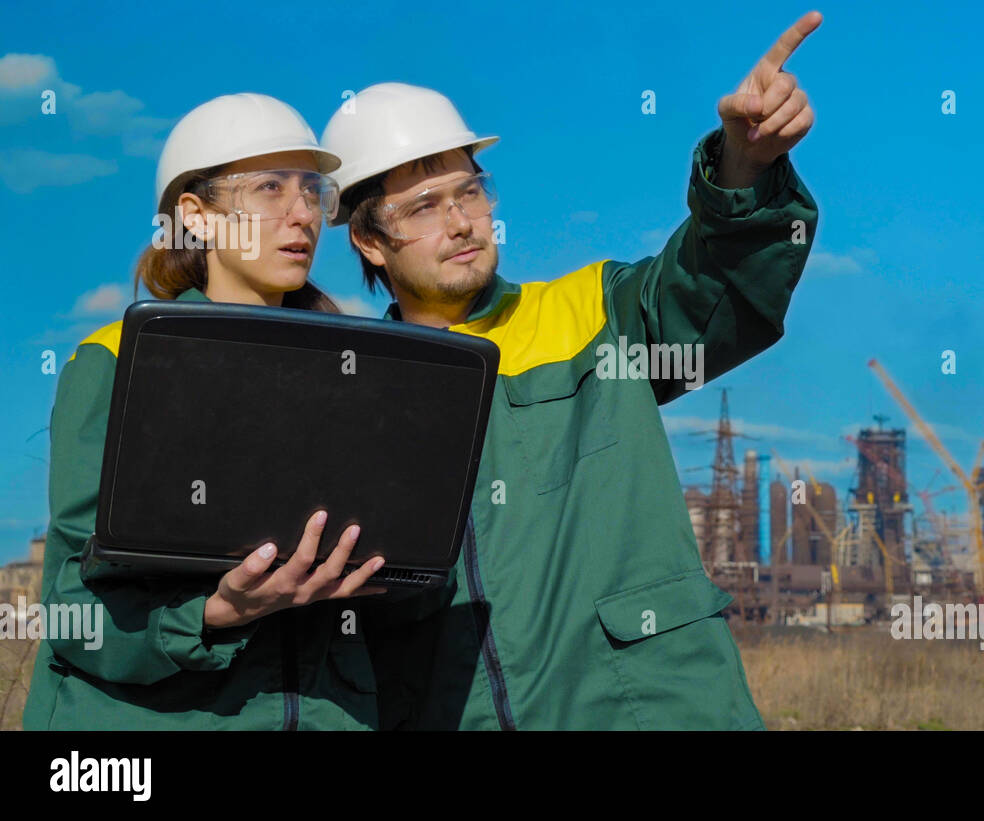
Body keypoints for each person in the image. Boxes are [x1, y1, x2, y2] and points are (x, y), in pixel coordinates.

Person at [324, 12, 822, 729]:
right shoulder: (354, 398)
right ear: (370, 240)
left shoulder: (597, 314)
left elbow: (717, 284)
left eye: (469, 191)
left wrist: (745, 169)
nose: (462, 221)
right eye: (425, 206)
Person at [23, 93, 388, 731]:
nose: (301, 215)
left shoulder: (354, 366)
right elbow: (70, 604)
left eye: (312, 192)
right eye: (271, 188)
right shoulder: (115, 361)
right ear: (197, 215)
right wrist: (210, 616)